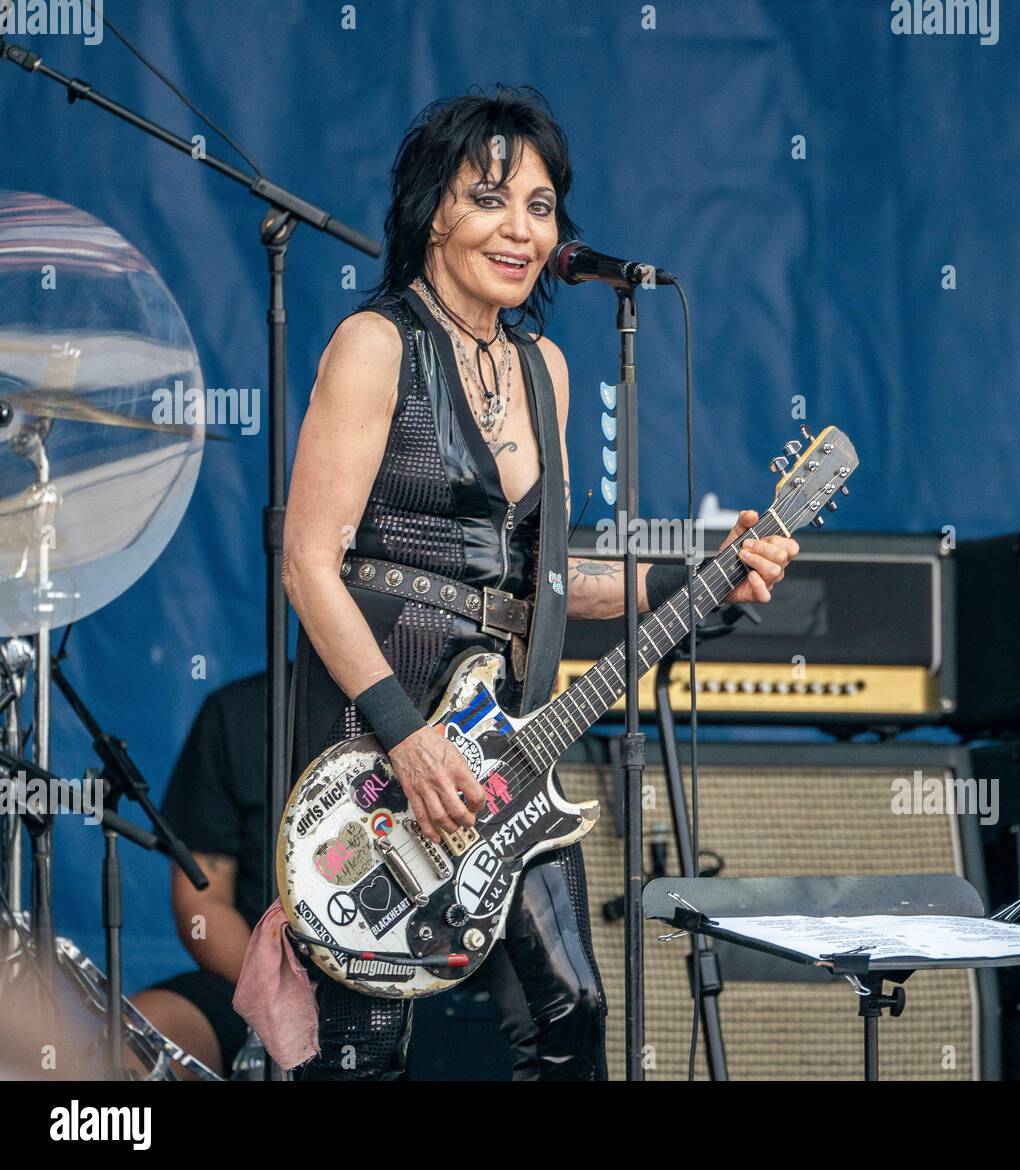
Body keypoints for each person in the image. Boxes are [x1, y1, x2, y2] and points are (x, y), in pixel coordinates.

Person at [280, 84, 799, 1081]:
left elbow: (550, 579)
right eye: (490, 199)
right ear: (434, 210)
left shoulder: (545, 367)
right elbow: (310, 561)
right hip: (380, 746)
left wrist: (708, 575)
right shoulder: (377, 345)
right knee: (367, 1042)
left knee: (574, 1014)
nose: (521, 229)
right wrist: (405, 731)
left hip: (507, 742)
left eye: (541, 205)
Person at [132, 671, 270, 1078]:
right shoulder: (240, 711)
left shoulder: (453, 706)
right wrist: (278, 995)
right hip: (258, 981)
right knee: (133, 1044)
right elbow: (202, 904)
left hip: (423, 989)